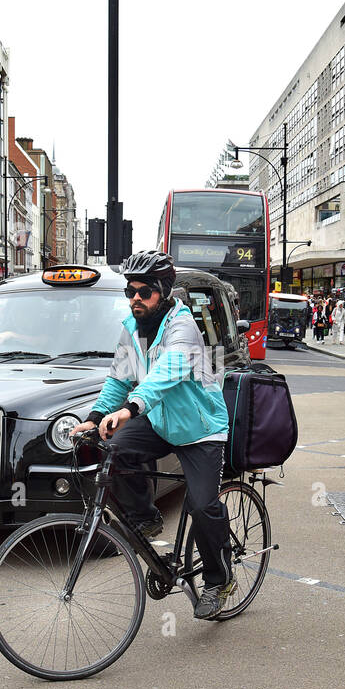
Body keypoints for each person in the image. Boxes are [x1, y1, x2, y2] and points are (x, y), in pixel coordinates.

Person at [71, 251, 236, 620]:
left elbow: (168, 372)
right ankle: (146, 516)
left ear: (162, 292)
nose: (135, 299)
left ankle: (219, 579)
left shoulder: (183, 326)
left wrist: (130, 409)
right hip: (160, 420)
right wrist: (95, 416)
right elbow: (119, 378)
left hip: (200, 430)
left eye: (144, 292)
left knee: (202, 505)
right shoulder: (132, 328)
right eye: (130, 291)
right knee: (112, 449)